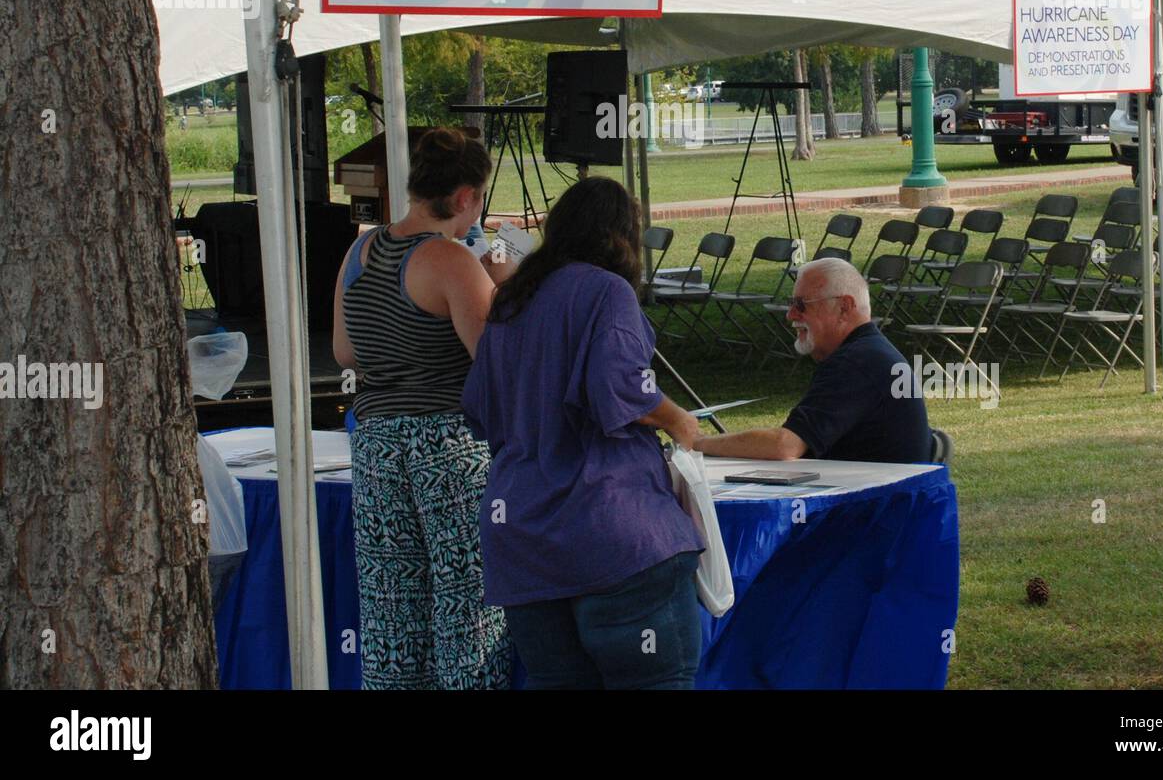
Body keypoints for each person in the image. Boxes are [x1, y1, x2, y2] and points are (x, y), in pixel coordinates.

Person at [462, 177, 704, 690]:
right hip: (613, 535)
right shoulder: (606, 291)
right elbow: (620, 389)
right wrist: (678, 418)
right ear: (622, 236)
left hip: (524, 541)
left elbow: (481, 409)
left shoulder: (509, 303)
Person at [332, 127, 511, 690]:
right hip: (448, 447)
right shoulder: (451, 260)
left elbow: (344, 352)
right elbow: (494, 358)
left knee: (392, 614)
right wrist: (500, 286)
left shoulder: (358, 252)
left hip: (377, 445)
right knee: (468, 613)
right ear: (465, 198)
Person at [693, 258, 932, 464]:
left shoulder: (856, 363)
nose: (790, 315)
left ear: (844, 307)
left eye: (801, 305)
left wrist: (698, 442)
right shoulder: (869, 353)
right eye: (791, 304)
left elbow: (784, 446)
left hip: (873, 510)